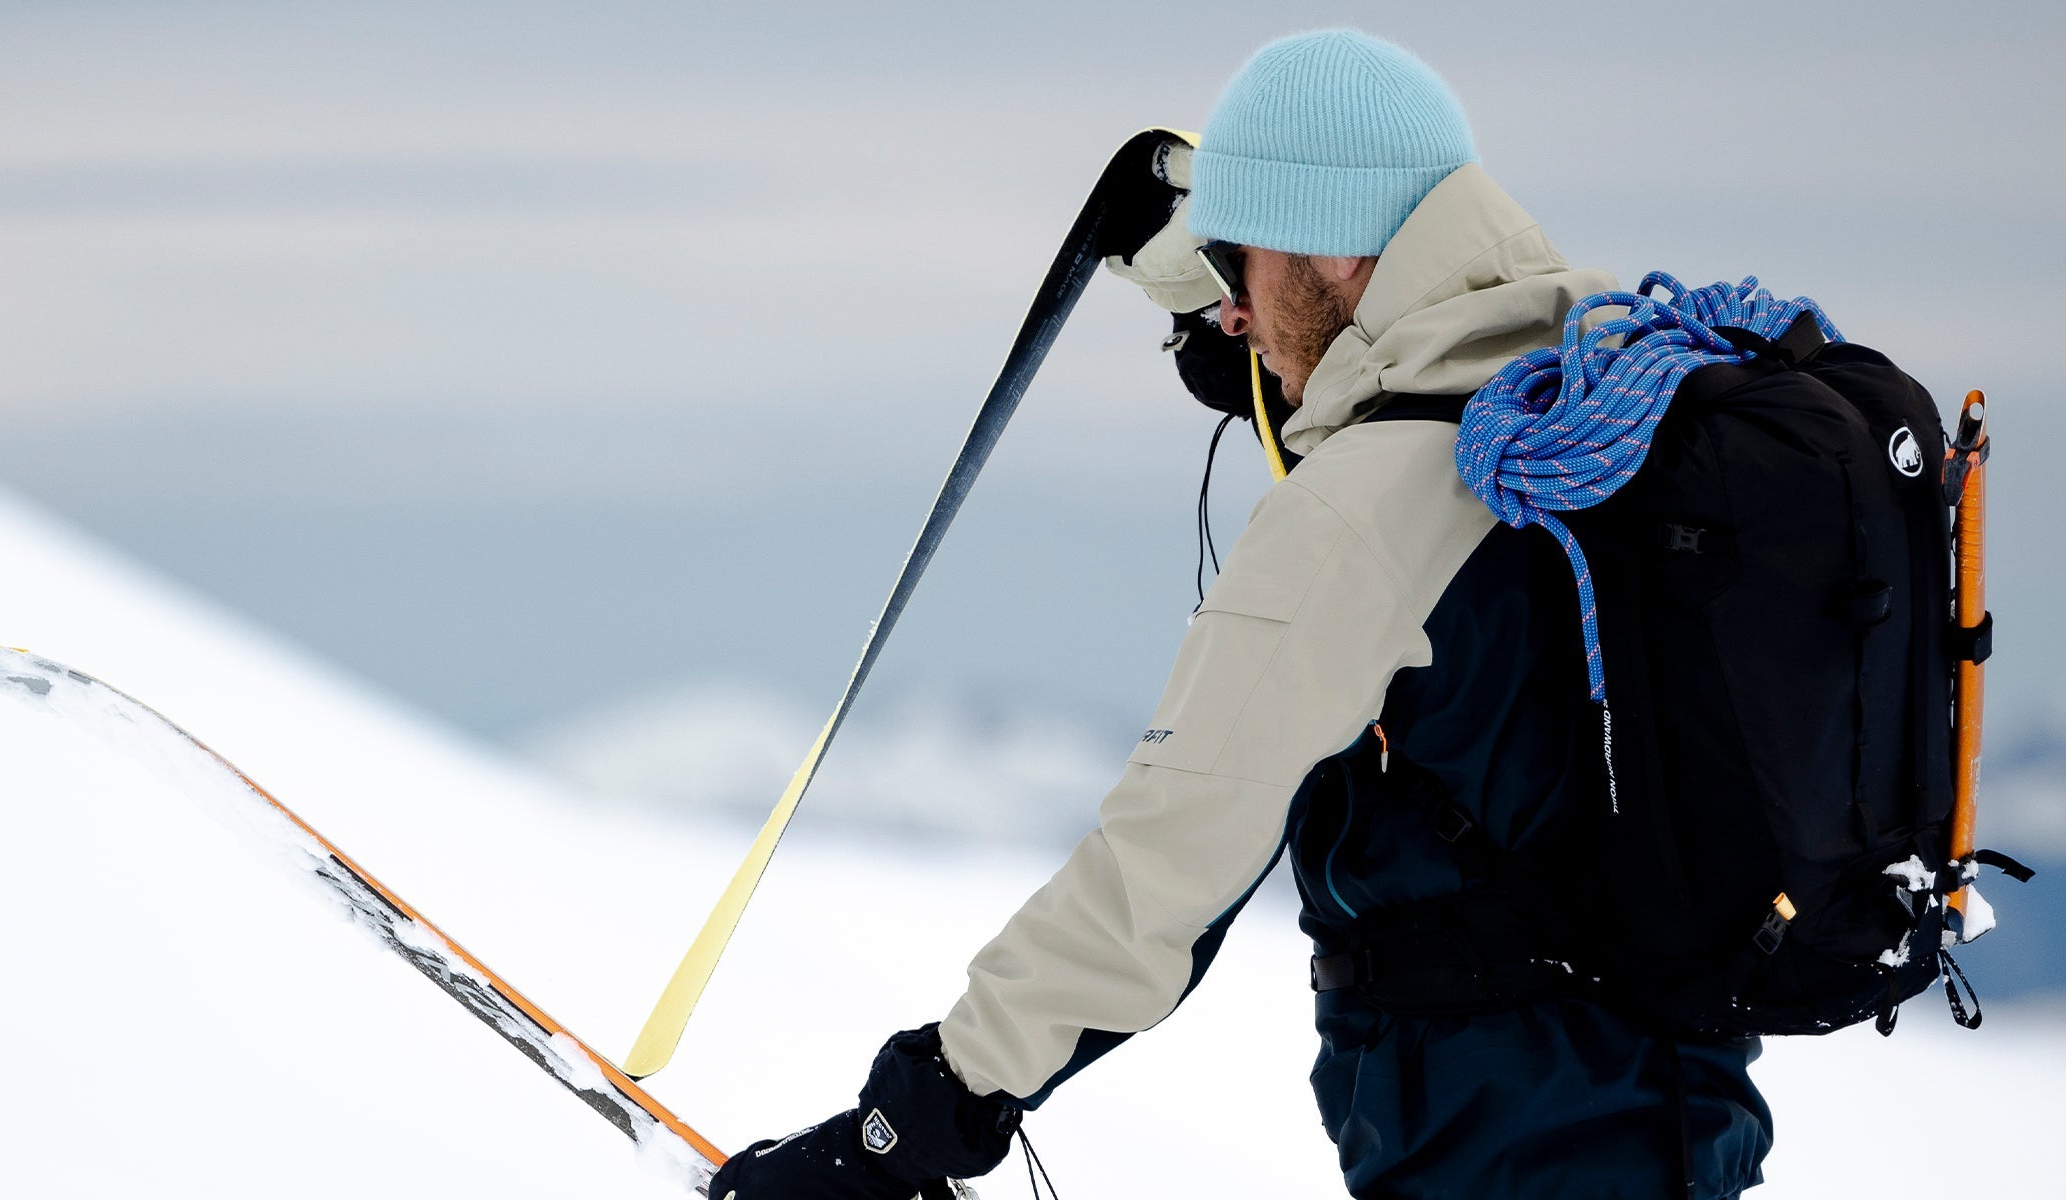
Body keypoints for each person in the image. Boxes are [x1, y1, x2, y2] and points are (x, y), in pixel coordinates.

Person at [710, 29, 1772, 1200]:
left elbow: (1165, 866)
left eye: (1240, 266)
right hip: (1675, 1107)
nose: (1232, 318)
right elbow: (1354, 354)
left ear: (1324, 250)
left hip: (1501, 1136)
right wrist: (1248, 297)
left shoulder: (1363, 510)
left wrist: (915, 1120)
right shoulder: (1585, 392)